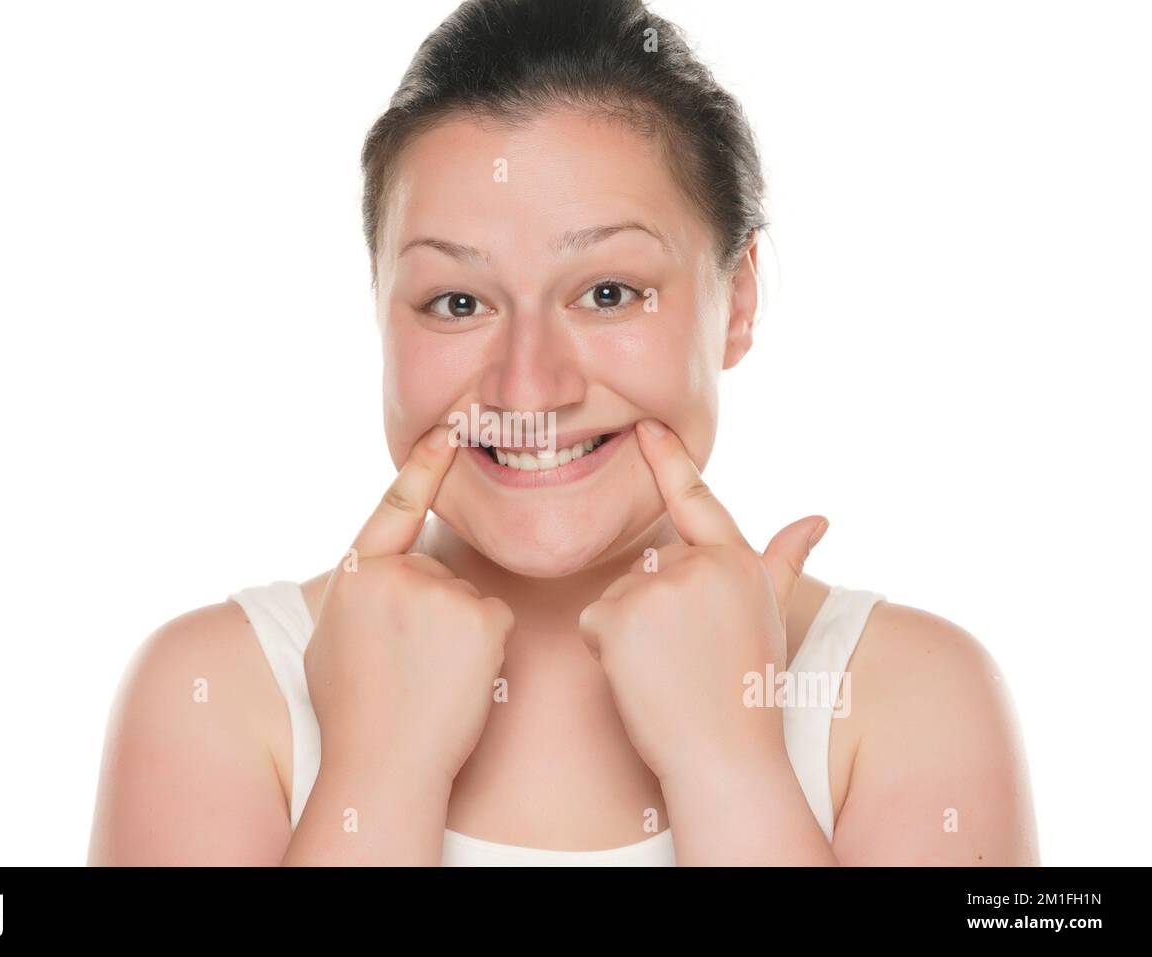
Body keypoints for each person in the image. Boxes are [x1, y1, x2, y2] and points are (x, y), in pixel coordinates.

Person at [88, 0, 1039, 866]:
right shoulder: (213, 694)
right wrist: (378, 775)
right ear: (378, 307)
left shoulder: (914, 698)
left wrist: (729, 765)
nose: (528, 382)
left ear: (738, 300)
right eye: (457, 301)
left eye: (609, 292)